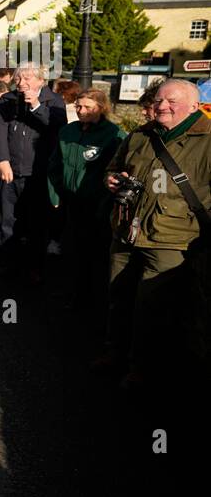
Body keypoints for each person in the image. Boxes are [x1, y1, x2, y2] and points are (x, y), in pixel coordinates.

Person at [102, 79, 210, 387]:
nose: (162, 106)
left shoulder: (208, 140)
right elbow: (113, 168)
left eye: (171, 101)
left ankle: (143, 368)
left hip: (172, 239)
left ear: (194, 105)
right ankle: (115, 353)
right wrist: (111, 180)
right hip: (126, 230)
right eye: (160, 100)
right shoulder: (140, 135)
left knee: (152, 307)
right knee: (118, 296)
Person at [48, 88, 125, 313]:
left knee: (95, 253)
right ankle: (73, 293)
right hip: (71, 201)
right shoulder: (68, 131)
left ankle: (93, 300)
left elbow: (115, 171)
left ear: (101, 108)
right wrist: (55, 194)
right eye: (78, 106)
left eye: (87, 107)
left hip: (97, 205)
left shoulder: (113, 134)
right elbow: (55, 165)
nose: (81, 111)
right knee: (72, 250)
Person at [0, 63, 67, 281]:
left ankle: (34, 267)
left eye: (27, 80)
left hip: (38, 172)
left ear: (41, 81)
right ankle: (8, 263)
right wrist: (2, 160)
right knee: (9, 221)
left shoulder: (54, 101)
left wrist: (35, 106)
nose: (21, 84)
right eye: (18, 80)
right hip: (11, 170)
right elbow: (0, 132)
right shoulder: (7, 100)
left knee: (36, 223)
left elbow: (57, 129)